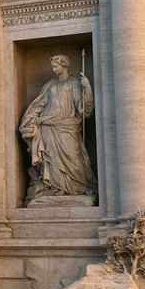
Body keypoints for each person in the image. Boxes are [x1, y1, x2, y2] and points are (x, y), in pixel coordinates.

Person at [19, 55, 95, 202]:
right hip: (48, 126)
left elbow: (83, 108)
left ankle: (75, 188)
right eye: (53, 67)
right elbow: (40, 104)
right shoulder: (50, 85)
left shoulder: (74, 84)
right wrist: (29, 118)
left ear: (64, 65)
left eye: (56, 66)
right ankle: (56, 187)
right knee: (52, 158)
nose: (54, 70)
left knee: (73, 157)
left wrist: (88, 88)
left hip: (68, 126)